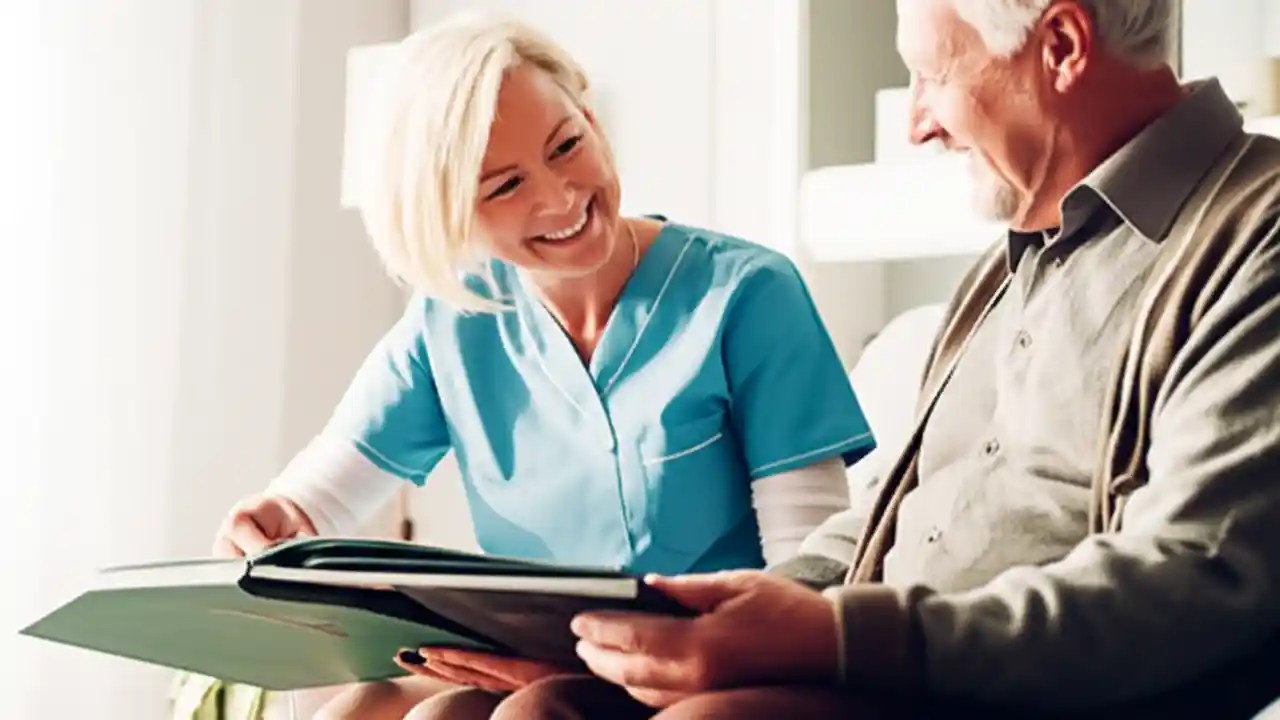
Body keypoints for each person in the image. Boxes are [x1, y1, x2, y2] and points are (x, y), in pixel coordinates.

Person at [421, 0, 1280, 718]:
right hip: (869, 664)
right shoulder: (1012, 263)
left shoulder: (1253, 233)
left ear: (1059, 46)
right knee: (509, 708)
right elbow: (889, 519)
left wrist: (834, 638)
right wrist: (665, 629)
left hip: (999, 691)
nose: (916, 123)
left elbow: (1206, 572)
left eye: (934, 74)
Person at [210, 12, 876, 720]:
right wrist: (269, 521)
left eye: (567, 145)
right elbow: (306, 508)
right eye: (504, 186)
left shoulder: (744, 295)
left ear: (591, 118)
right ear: (449, 217)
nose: (560, 197)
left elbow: (806, 583)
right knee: (368, 708)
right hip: (535, 658)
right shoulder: (452, 324)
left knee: (533, 713)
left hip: (711, 668)